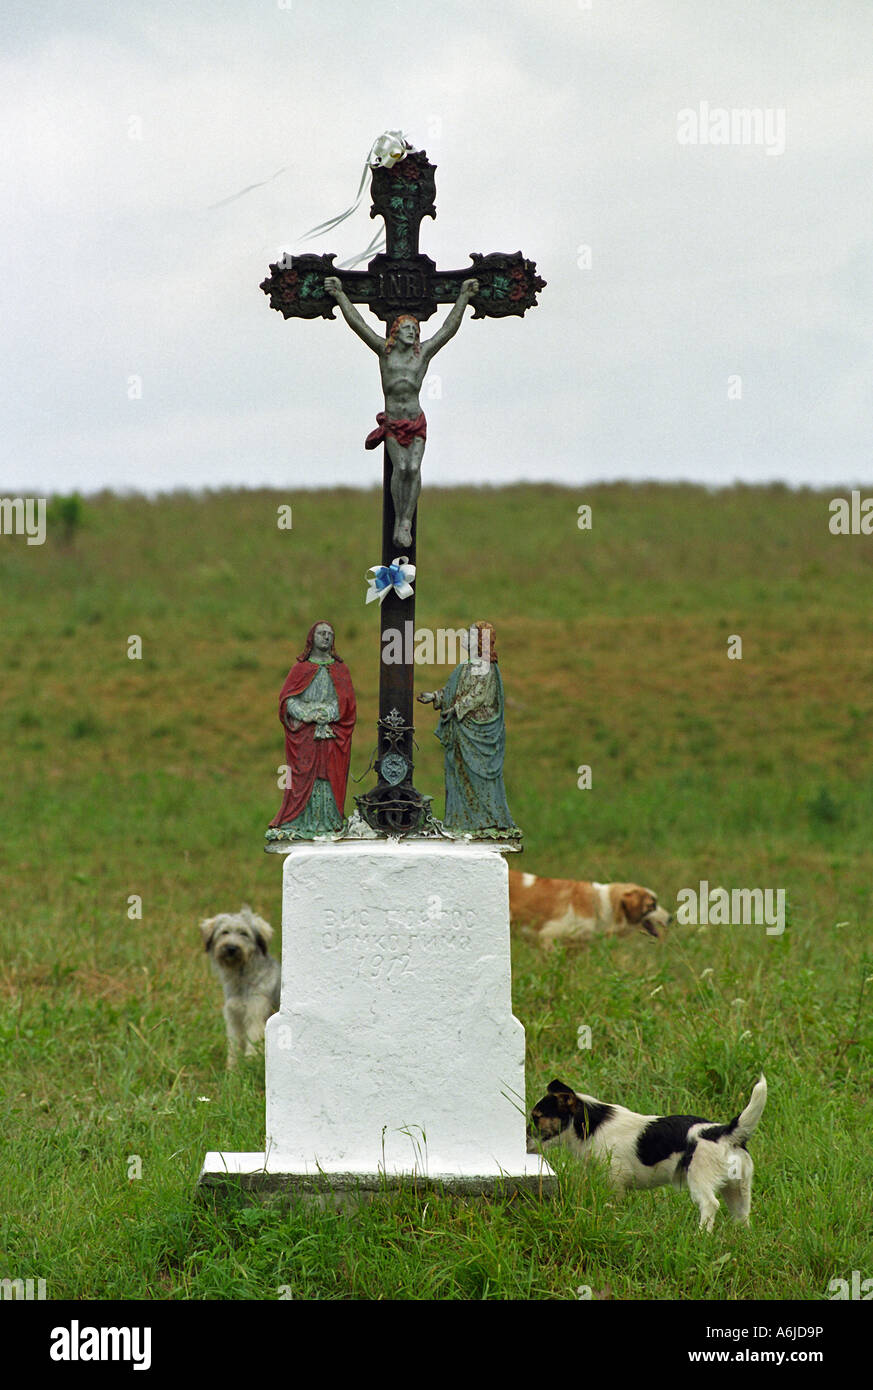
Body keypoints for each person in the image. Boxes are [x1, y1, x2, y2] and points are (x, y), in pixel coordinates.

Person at [323, 275, 479, 547]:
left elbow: (447, 329)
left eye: (415, 329)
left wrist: (463, 298)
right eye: (407, 328)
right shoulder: (385, 353)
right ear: (396, 331)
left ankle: (405, 521)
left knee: (414, 467)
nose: (413, 332)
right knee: (403, 467)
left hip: (415, 420)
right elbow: (359, 325)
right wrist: (339, 295)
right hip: (394, 422)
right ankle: (398, 520)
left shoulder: (423, 354)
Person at [418, 621, 520, 838]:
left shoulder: (486, 666)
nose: (465, 638)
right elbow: (455, 689)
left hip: (477, 731)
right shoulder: (466, 666)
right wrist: (435, 697)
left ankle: (490, 821)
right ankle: (461, 819)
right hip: (461, 731)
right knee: (458, 773)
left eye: (471, 635)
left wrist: (457, 709)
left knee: (479, 777)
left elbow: (480, 695)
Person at [268, 622, 356, 839]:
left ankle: (330, 821)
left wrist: (328, 714)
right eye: (321, 633)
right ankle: (296, 821)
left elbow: (347, 703)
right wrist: (306, 714)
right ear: (312, 637)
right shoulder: (300, 669)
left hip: (330, 734)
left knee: (329, 774)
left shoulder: (340, 670)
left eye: (330, 634)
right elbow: (287, 700)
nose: (326, 637)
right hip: (305, 735)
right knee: (301, 775)